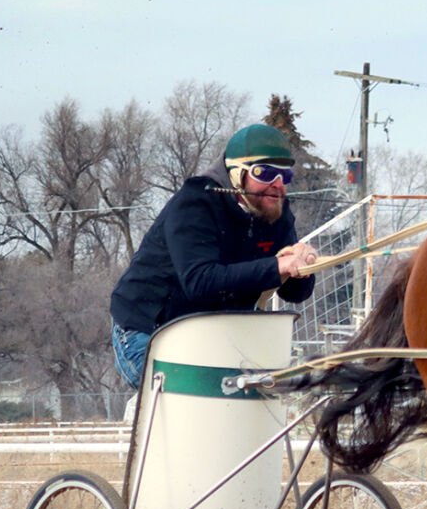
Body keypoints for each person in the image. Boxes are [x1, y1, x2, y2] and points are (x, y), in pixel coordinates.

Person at [109, 123, 319, 389]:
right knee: (191, 396)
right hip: (149, 328)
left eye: (285, 175)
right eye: (265, 173)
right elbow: (200, 281)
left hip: (216, 333)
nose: (277, 185)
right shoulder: (195, 204)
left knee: (252, 395)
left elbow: (296, 294)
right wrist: (278, 266)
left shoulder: (275, 212)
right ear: (237, 173)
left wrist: (302, 265)